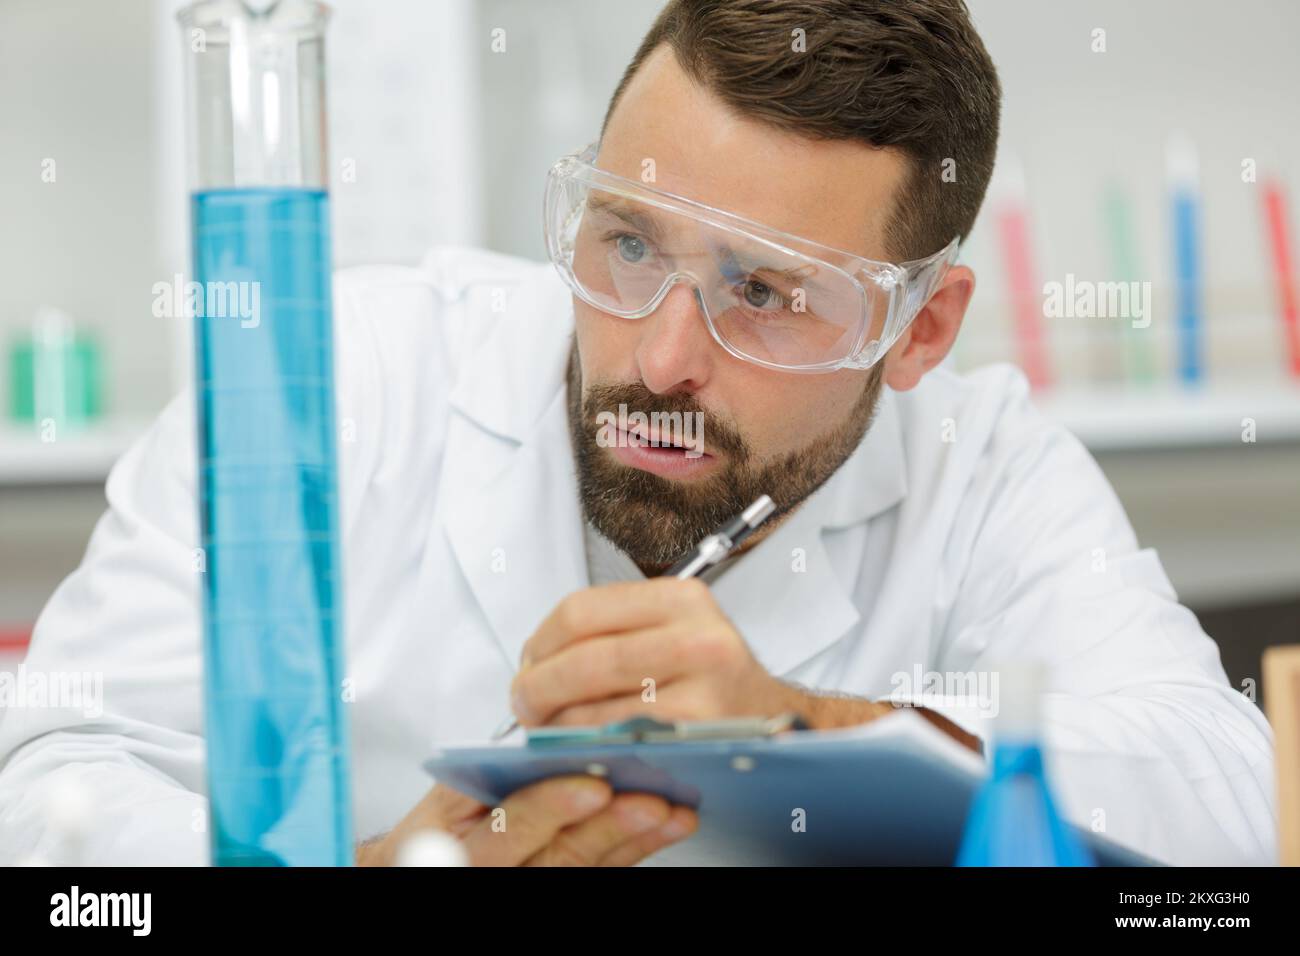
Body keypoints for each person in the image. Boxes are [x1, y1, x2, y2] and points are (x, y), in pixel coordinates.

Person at [0, 0, 1274, 867]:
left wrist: (810, 732)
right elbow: (46, 792)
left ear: (919, 328)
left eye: (764, 292)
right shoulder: (334, 376)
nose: (660, 355)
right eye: (626, 242)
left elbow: (1231, 801)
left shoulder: (982, 470)